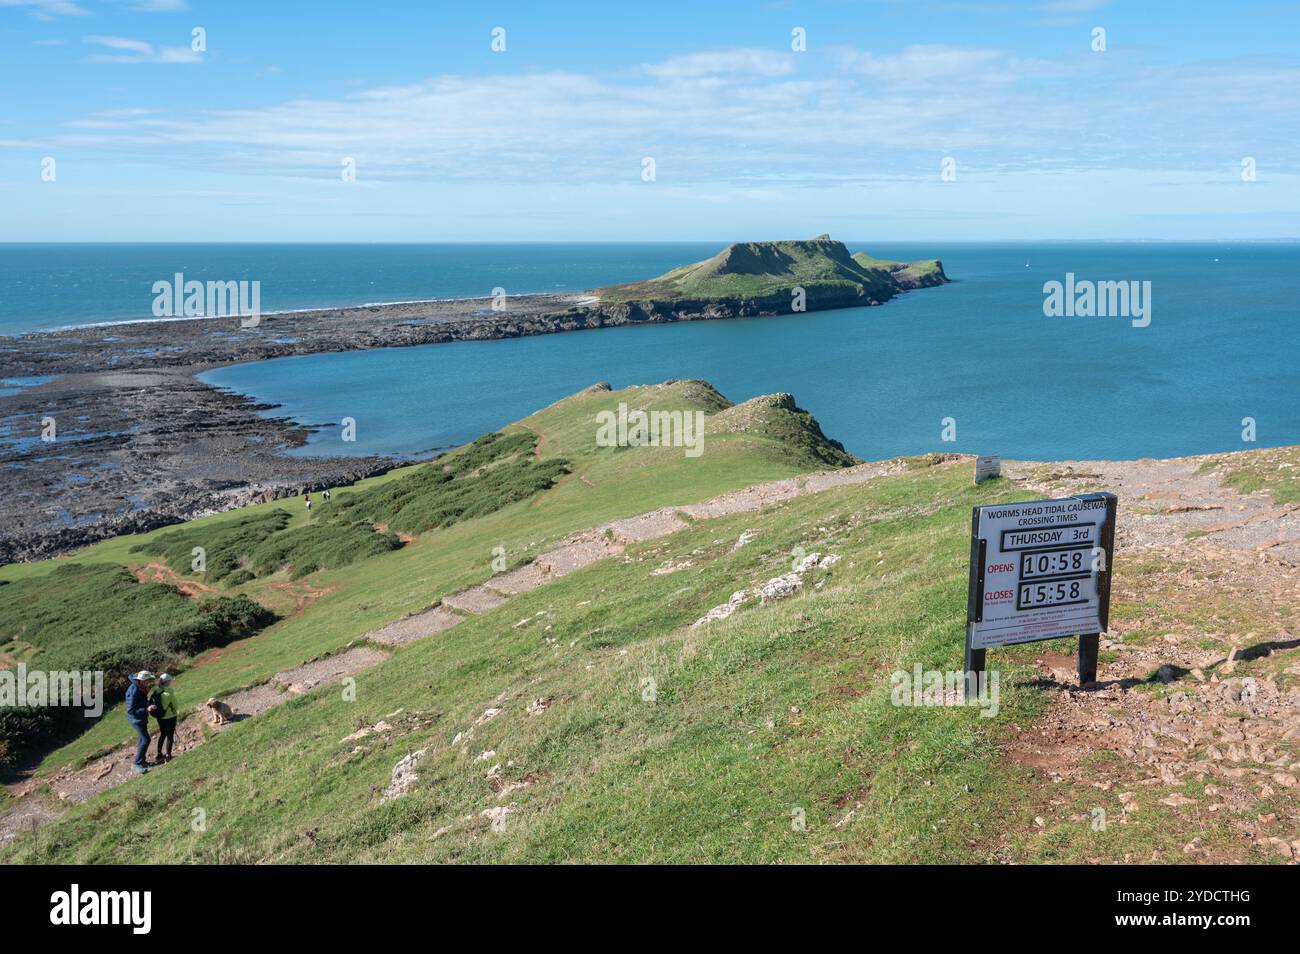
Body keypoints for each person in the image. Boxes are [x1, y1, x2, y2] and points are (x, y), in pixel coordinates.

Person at [125, 670, 157, 774]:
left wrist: (149, 703)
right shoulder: (133, 690)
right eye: (147, 680)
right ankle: (136, 764)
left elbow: (141, 702)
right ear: (142, 680)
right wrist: (146, 709)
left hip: (141, 718)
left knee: (141, 739)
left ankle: (142, 761)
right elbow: (131, 710)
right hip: (136, 719)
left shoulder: (140, 687)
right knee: (146, 739)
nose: (148, 682)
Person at [151, 673, 179, 762]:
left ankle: (159, 753)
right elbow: (175, 704)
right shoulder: (169, 691)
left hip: (160, 717)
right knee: (170, 736)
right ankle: (168, 754)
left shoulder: (156, 690)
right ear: (167, 682)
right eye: (170, 681)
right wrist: (175, 710)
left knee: (163, 734)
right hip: (170, 716)